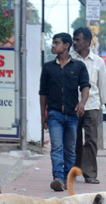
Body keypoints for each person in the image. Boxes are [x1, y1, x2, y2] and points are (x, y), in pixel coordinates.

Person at [39, 33, 90, 192]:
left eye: (56, 43)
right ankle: (58, 178)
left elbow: (85, 87)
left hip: (72, 114)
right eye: (53, 43)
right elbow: (43, 93)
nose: (53, 46)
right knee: (56, 147)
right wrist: (43, 115)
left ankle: (68, 178)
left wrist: (82, 103)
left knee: (70, 148)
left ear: (66, 46)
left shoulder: (78, 66)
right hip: (54, 114)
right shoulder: (48, 67)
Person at [71, 27, 106, 184]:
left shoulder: (98, 62)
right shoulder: (70, 59)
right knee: (74, 140)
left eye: (78, 40)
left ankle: (90, 173)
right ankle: (74, 168)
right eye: (74, 39)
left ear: (87, 42)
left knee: (91, 140)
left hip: (93, 106)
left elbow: (104, 87)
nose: (74, 43)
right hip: (73, 106)